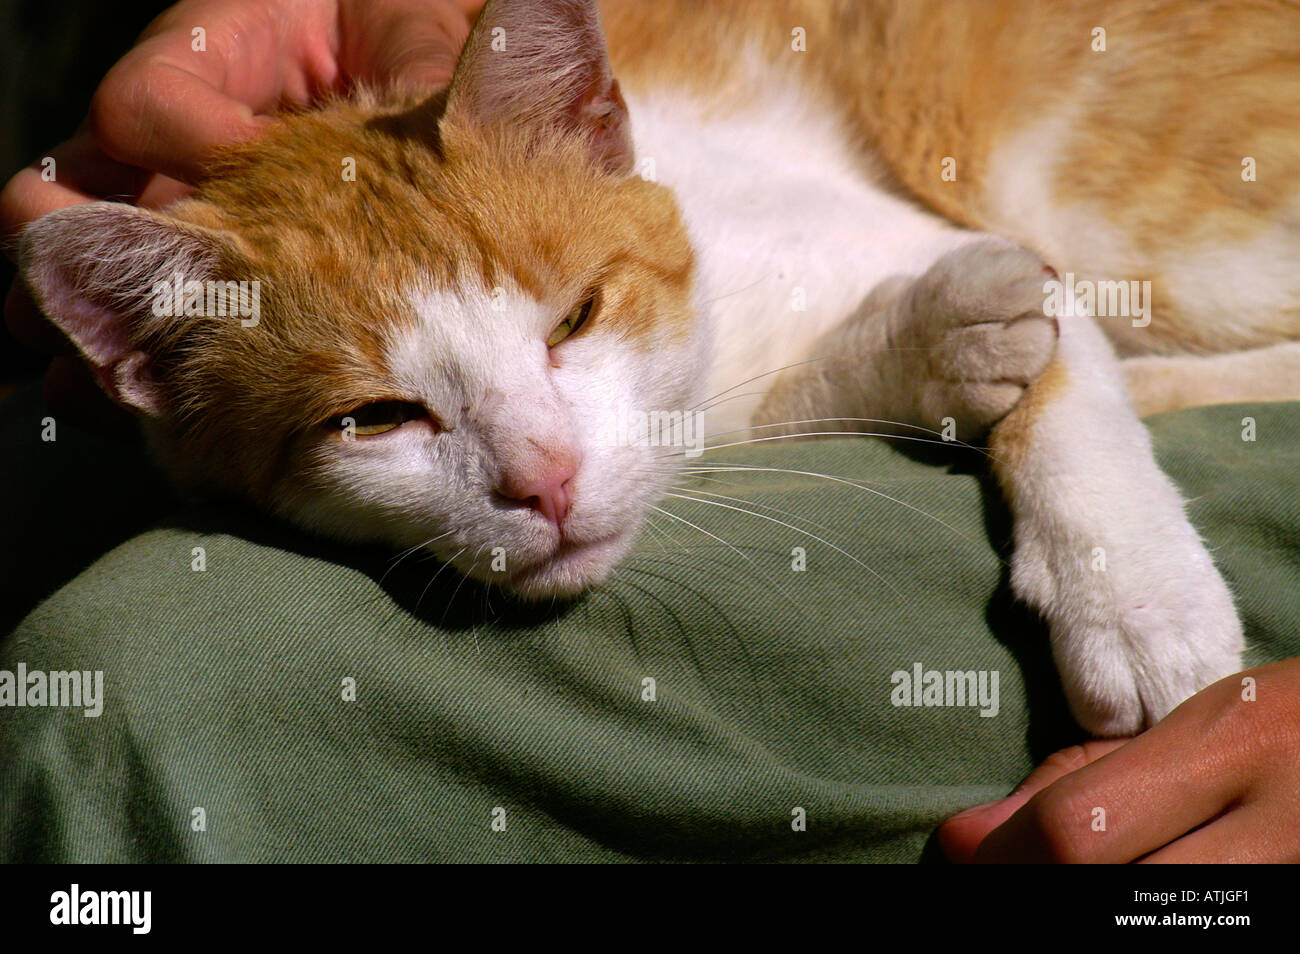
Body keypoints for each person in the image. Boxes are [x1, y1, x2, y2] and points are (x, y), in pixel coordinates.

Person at [2, 0, 1297, 864]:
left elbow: (993, 285)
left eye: (571, 320)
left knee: (138, 690)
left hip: (970, 83)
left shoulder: (678, 235)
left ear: (595, 132)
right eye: (379, 415)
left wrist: (1089, 497)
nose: (539, 470)